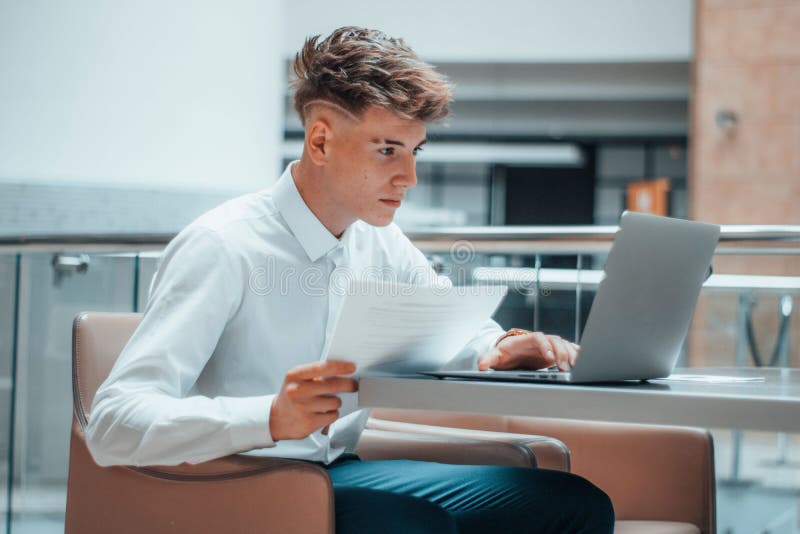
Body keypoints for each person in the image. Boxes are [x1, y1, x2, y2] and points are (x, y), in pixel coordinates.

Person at [86, 26, 614, 533]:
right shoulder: (222, 245)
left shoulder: (379, 241)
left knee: (573, 505)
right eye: (387, 150)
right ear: (320, 142)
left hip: (339, 472)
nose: (409, 177)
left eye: (414, 151)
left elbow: (448, 327)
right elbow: (112, 423)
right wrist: (269, 416)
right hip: (243, 482)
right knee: (408, 523)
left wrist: (500, 348)